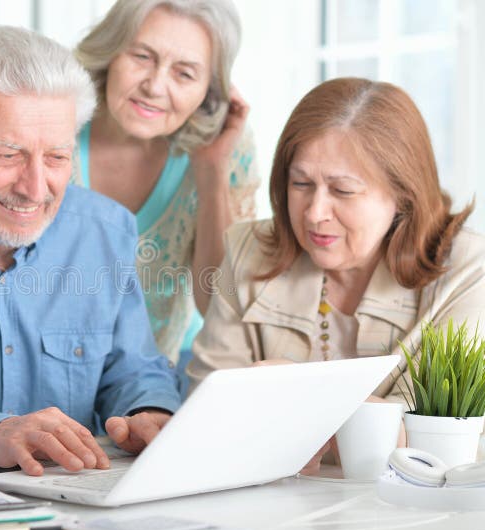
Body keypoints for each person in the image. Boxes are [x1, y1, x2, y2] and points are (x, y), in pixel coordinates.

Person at [0, 26, 181, 475]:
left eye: (56, 157)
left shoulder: (106, 232)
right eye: (8, 155)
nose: (35, 189)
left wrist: (150, 412)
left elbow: (134, 370)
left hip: (72, 497)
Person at [187, 77, 484, 470]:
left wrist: (298, 391)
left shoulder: (467, 268)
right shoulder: (248, 250)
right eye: (301, 183)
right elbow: (205, 415)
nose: (314, 213)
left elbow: (424, 446)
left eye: (343, 190)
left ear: (403, 196)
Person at [74, 0, 260, 368]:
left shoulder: (228, 148)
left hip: (154, 380)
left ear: (210, 91)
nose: (155, 86)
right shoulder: (54, 121)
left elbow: (219, 309)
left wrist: (211, 172)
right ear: (111, 50)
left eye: (185, 74)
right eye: (142, 56)